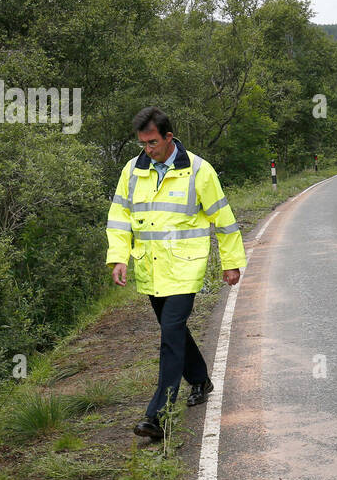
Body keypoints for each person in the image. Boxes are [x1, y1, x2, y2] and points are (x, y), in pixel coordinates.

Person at [105, 107, 246, 440]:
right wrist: (119, 257)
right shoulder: (132, 170)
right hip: (151, 269)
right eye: (143, 143)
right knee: (175, 333)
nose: (148, 149)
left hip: (185, 266)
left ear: (169, 137)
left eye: (153, 142)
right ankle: (200, 380)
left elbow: (223, 220)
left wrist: (230, 261)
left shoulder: (199, 170)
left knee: (170, 334)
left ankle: (157, 415)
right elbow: (119, 216)